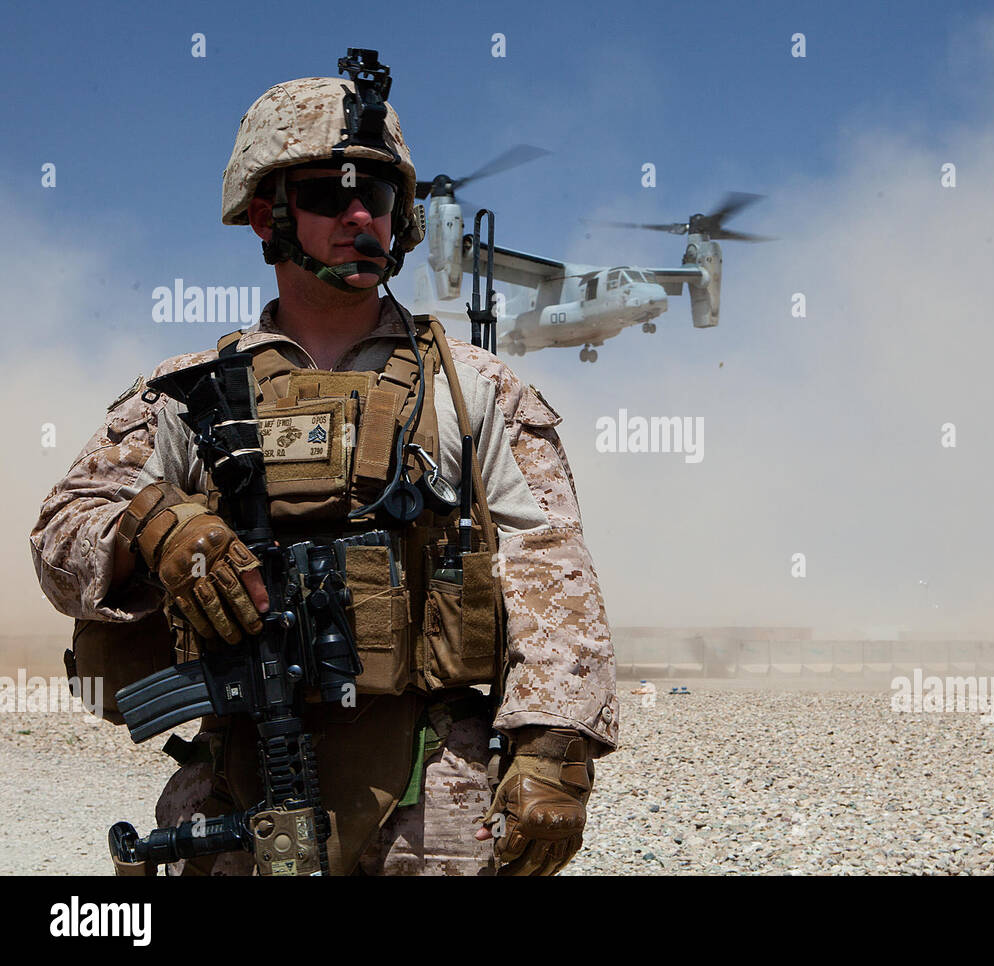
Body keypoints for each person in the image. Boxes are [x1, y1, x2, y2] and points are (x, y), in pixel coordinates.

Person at [29, 54, 618, 876]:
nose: (357, 216)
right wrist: (153, 527)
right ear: (269, 215)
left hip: (434, 796)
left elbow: (551, 571)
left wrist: (554, 750)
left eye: (374, 197)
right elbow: (61, 536)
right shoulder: (189, 395)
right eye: (326, 194)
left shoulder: (474, 389)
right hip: (238, 785)